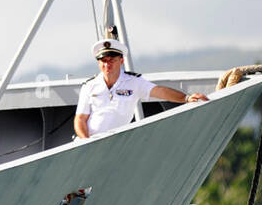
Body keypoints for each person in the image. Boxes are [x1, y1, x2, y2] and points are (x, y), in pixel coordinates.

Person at [74, 37, 210, 139]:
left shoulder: (134, 82)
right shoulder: (89, 86)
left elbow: (159, 91)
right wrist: (87, 142)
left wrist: (186, 98)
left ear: (121, 61)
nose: (107, 65)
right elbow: (80, 119)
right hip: (89, 143)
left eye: (111, 60)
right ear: (99, 63)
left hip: (116, 143)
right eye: (103, 61)